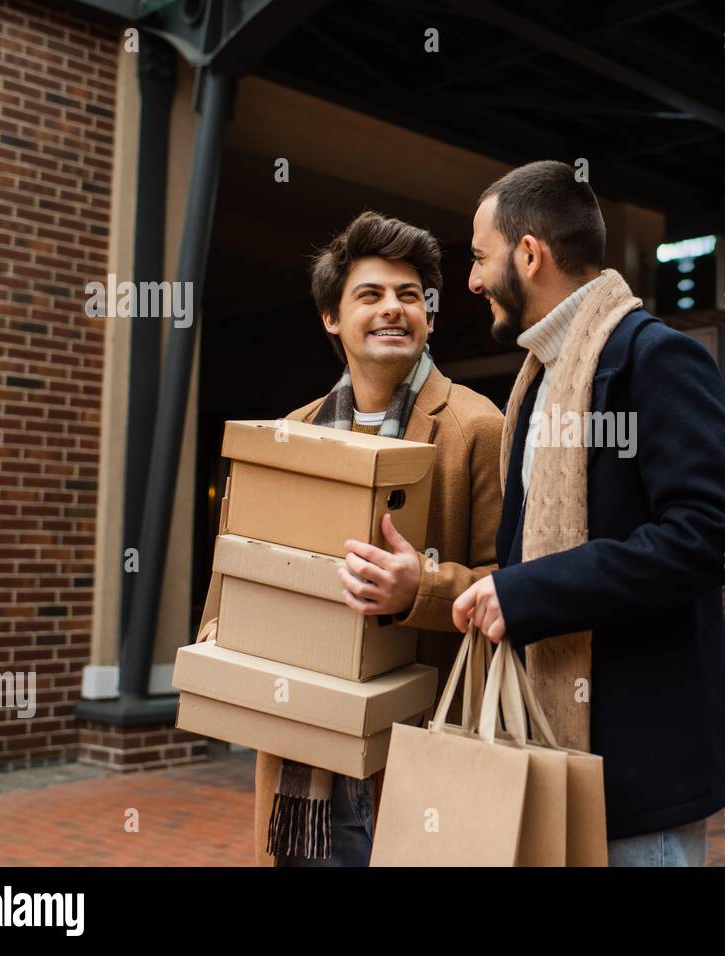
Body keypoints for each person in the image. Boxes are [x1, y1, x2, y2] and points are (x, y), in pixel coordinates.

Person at [453, 160, 725, 867]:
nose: (469, 280)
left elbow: (713, 535)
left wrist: (530, 592)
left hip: (638, 767)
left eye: (477, 255)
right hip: (549, 753)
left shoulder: (658, 359)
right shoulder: (535, 386)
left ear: (529, 254)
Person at [195, 210, 504, 866]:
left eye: (410, 296)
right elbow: (239, 568)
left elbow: (515, 584)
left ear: (429, 316)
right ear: (331, 318)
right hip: (303, 762)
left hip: (417, 759)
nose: (394, 309)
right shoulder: (289, 432)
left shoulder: (477, 428)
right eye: (371, 294)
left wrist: (419, 588)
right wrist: (222, 633)